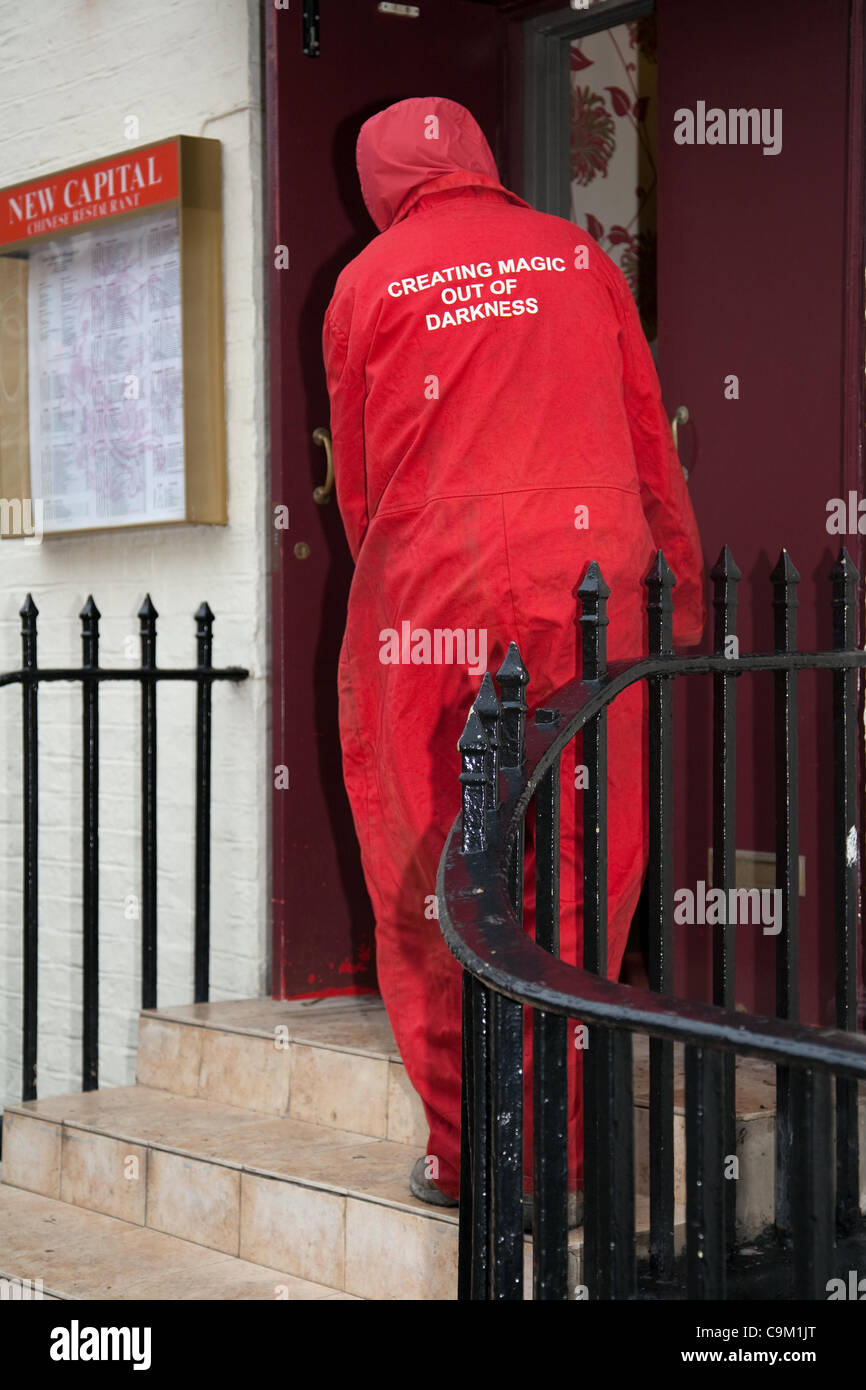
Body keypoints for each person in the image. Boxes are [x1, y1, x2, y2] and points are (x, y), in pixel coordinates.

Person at [322, 96, 704, 1212]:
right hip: (584, 589)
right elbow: (646, 438)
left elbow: (358, 483)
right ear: (485, 157)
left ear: (378, 179)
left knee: (433, 863)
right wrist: (669, 602)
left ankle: (470, 1149)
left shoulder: (364, 284)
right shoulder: (575, 255)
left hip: (431, 593)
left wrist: (392, 582)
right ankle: (567, 1151)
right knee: (587, 859)